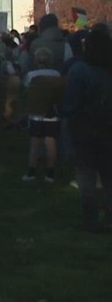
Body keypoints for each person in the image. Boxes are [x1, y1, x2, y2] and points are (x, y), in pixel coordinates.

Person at [61, 25, 112, 233]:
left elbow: (71, 103)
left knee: (87, 177)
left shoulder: (79, 70)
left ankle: (91, 219)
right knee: (109, 176)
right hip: (108, 128)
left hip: (84, 129)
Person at [22, 48, 64, 182]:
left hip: (36, 113)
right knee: (51, 143)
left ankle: (31, 172)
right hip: (52, 112)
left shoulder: (31, 75)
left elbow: (26, 90)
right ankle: (50, 173)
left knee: (35, 143)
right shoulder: (56, 74)